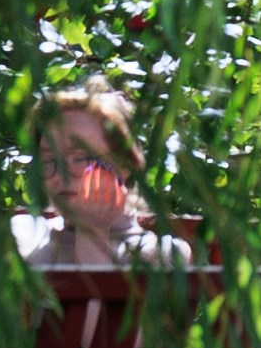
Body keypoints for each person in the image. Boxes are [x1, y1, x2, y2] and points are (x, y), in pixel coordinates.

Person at [15, 77, 189, 277]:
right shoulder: (22, 235)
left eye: (79, 158)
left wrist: (91, 231)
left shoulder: (160, 254)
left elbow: (98, 306)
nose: (61, 176)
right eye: (47, 160)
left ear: (126, 163)